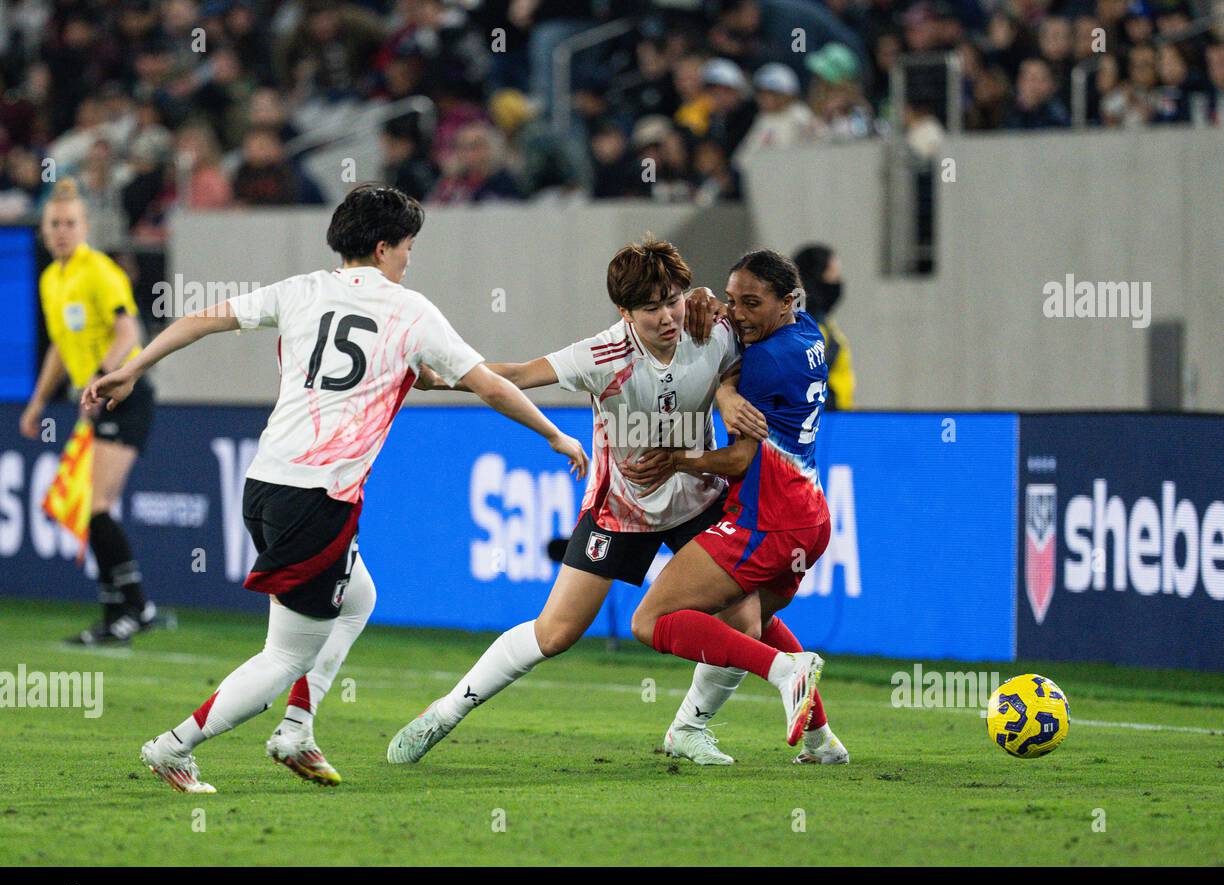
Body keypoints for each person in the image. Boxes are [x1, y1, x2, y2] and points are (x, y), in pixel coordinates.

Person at [84, 185, 588, 793]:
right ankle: (174, 747)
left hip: (266, 482)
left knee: (359, 597)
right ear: (382, 248)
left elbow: (200, 319)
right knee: (285, 655)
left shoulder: (302, 290)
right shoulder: (410, 310)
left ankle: (297, 729)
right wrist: (555, 435)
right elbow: (491, 386)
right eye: (406, 247)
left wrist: (132, 368)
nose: (409, 259)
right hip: (316, 499)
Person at [387, 236, 802, 767]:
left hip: (699, 500)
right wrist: (437, 380)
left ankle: (691, 729)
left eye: (674, 299)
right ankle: (441, 715)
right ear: (624, 312)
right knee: (555, 634)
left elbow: (738, 355)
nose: (669, 317)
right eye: (651, 309)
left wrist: (723, 381)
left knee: (742, 620)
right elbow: (514, 376)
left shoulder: (711, 328)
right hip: (622, 510)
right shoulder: (602, 355)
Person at [623, 250, 846, 758]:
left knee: (650, 621)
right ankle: (819, 738)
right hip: (808, 518)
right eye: (731, 300)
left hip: (766, 520)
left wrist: (679, 460)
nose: (737, 314)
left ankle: (786, 671)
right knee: (747, 624)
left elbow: (742, 459)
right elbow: (743, 340)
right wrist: (725, 379)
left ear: (787, 301)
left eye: (751, 303)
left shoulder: (766, 360)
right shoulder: (809, 332)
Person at [22, 179, 158, 647]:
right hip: (96, 401)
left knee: (96, 507)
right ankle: (124, 611)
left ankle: (132, 608)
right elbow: (61, 346)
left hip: (125, 394)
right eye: (55, 224)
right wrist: (39, 402)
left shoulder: (99, 271)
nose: (62, 231)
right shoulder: (50, 279)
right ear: (44, 229)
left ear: (84, 227)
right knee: (91, 510)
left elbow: (128, 332)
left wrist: (101, 379)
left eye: (70, 223)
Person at [793, 244, 854, 410]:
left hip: (833, 421)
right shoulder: (807, 326)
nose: (838, 282)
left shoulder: (823, 323)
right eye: (834, 274)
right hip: (821, 424)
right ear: (818, 275)